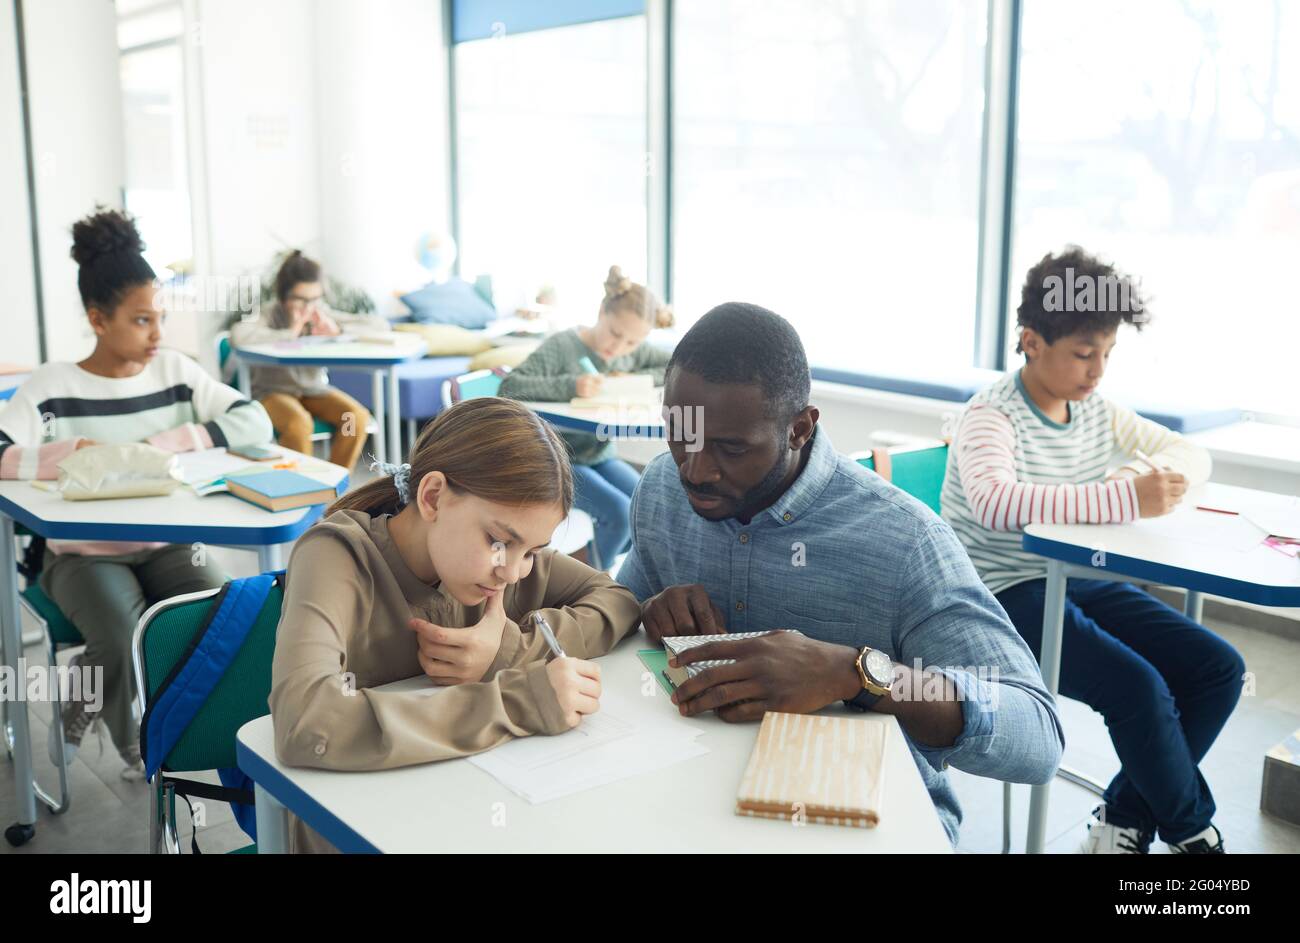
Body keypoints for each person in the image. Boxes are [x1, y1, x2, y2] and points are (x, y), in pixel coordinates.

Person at [616, 301, 1063, 847]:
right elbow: (615, 611)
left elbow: (1038, 736)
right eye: (680, 433)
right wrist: (644, 609)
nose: (695, 468)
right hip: (690, 800)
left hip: (868, 824)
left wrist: (859, 675)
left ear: (800, 428)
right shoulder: (662, 488)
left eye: (732, 448)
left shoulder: (904, 540)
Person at [941, 246, 1242, 854]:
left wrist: (1144, 472)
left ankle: (1123, 820)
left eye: (1106, 353)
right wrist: (1123, 498)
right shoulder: (990, 416)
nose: (1098, 369)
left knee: (1219, 670)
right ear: (1030, 341)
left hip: (1071, 578)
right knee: (1137, 687)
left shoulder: (1094, 410)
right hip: (1000, 594)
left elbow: (1192, 456)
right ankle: (1194, 838)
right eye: (1084, 353)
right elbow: (998, 503)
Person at [269, 397, 642, 852]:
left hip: (471, 816)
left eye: (533, 550)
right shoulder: (336, 555)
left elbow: (619, 601)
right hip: (359, 831)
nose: (514, 571)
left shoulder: (506, 564)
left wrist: (507, 648)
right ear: (432, 497)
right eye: (500, 542)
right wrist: (519, 702)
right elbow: (307, 724)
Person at [0, 207, 273, 778]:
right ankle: (129, 736)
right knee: (123, 636)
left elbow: (254, 422)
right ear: (99, 320)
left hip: (169, 544)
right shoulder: (54, 386)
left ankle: (202, 732)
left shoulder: (174, 371)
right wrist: (61, 456)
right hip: (79, 556)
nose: (158, 334)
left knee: (227, 612)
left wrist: (173, 439)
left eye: (160, 318)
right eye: (142, 320)